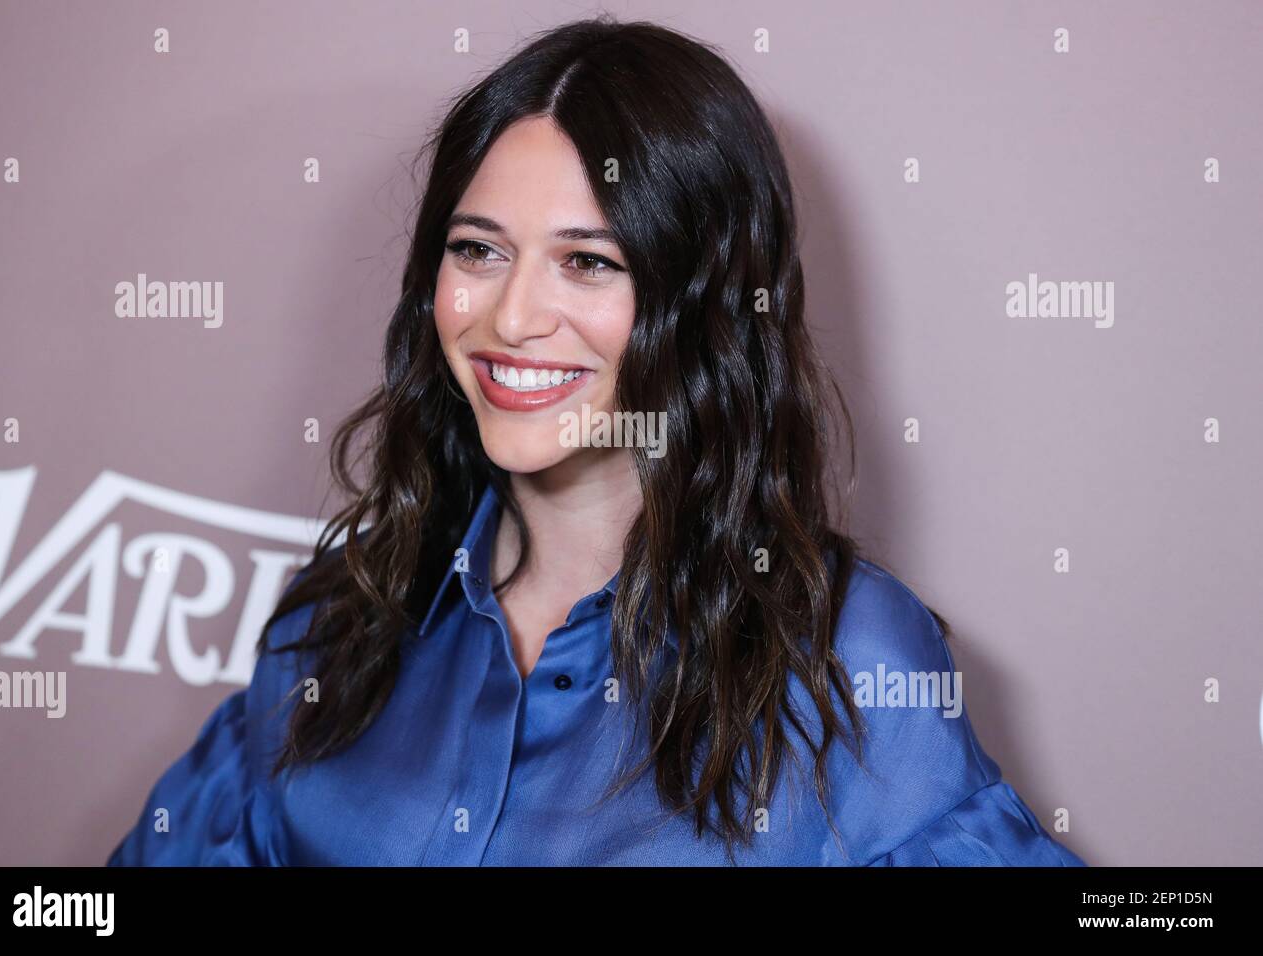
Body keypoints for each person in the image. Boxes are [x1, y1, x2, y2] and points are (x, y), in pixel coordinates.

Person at [108, 16, 1085, 866]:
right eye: (478, 250)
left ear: (703, 305)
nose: (513, 315)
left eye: (587, 261)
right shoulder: (335, 624)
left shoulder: (848, 663)